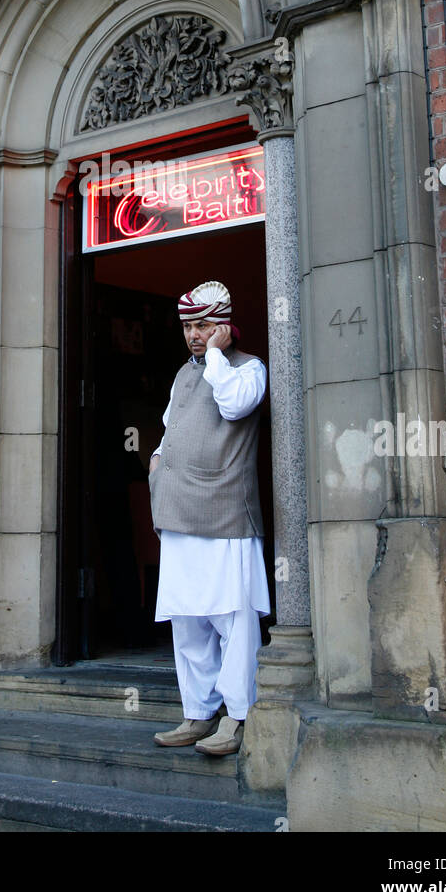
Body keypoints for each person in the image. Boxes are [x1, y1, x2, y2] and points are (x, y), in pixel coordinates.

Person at [148, 280, 269, 757]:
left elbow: (235, 404)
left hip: (223, 515)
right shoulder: (182, 375)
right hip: (178, 513)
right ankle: (198, 713)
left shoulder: (247, 368)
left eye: (203, 326)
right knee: (188, 620)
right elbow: (169, 427)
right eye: (188, 327)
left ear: (223, 326)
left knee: (231, 619)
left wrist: (217, 356)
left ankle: (236, 716)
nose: (194, 336)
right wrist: (157, 460)